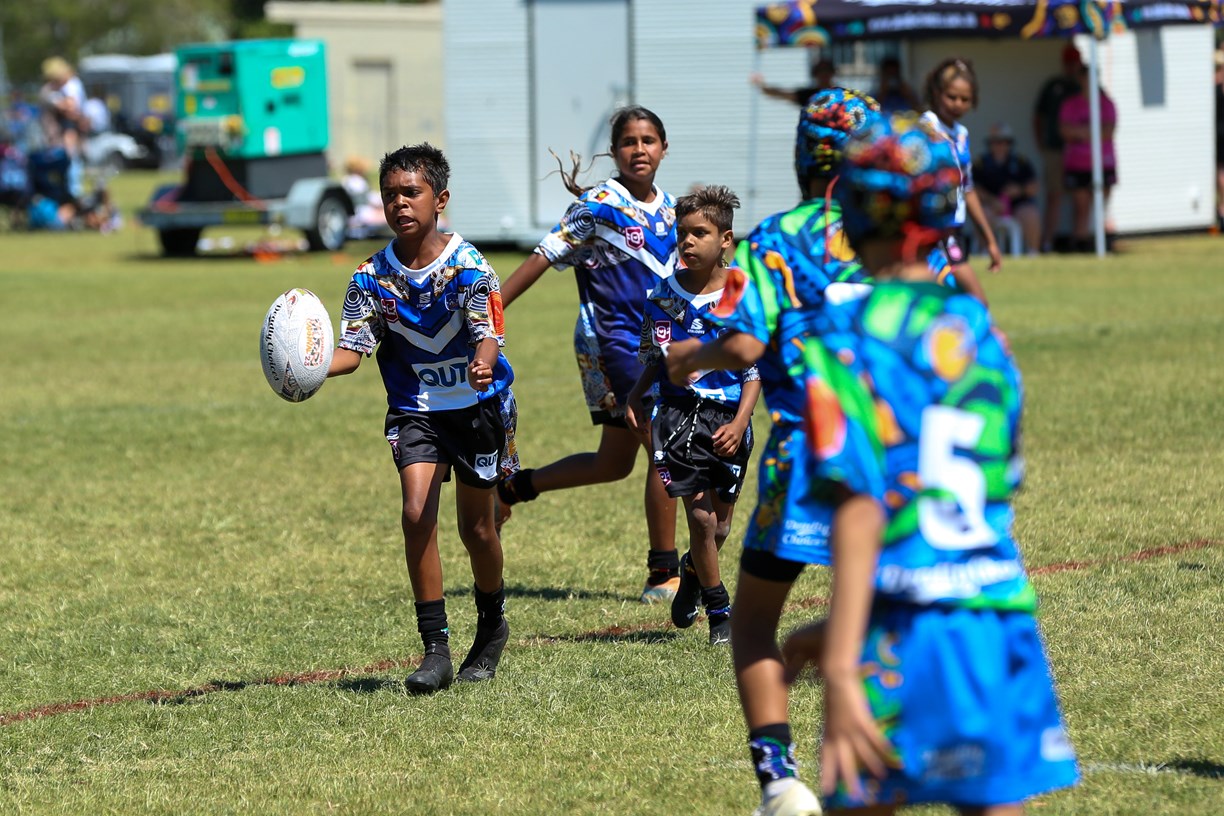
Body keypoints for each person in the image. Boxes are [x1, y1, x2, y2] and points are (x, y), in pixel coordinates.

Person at [779, 111, 1080, 813]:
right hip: (997, 616)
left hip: (897, 630)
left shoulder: (846, 336)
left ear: (851, 210)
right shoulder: (981, 332)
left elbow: (860, 502)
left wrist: (843, 655)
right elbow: (984, 488)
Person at [664, 88, 880, 816]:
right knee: (888, 614)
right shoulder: (900, 235)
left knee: (755, 622)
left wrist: (687, 359)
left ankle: (780, 781)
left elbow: (747, 343)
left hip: (805, 455)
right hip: (895, 458)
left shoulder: (775, 241)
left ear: (801, 154)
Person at [327, 143, 518, 694]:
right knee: (416, 514)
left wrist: (482, 365)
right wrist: (310, 366)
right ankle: (435, 648)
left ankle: (491, 626)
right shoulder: (370, 277)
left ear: (441, 200)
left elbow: (488, 333)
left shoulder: (469, 266)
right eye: (390, 195)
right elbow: (353, 351)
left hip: (478, 409)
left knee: (478, 529)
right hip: (416, 411)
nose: (400, 203)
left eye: (411, 192)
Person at [497, 106, 682, 604]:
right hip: (613, 343)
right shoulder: (599, 204)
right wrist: (490, 311)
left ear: (665, 147)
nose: (638, 149)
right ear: (614, 150)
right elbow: (542, 256)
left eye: (648, 140)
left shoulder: (671, 209)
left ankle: (513, 488)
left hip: (656, 345)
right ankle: (663, 572)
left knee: (614, 462)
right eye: (628, 141)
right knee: (662, 442)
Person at [624, 185, 762, 647]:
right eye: (682, 233)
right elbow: (653, 357)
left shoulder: (744, 294)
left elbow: (754, 370)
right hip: (677, 415)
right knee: (701, 521)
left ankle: (691, 574)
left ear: (725, 239)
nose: (688, 242)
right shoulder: (661, 296)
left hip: (729, 419)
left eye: (699, 233)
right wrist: (635, 396)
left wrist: (741, 422)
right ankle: (721, 610)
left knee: (720, 526)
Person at [921, 57, 1002, 298]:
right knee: (977, 302)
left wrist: (989, 240)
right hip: (932, 232)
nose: (957, 104)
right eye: (951, 96)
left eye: (965, 99)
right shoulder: (926, 126)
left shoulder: (962, 134)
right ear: (937, 92)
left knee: (953, 304)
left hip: (954, 231)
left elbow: (967, 188)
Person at [1059, 65, 1117, 253]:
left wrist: (1081, 133)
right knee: (1081, 207)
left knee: (1102, 206)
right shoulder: (1071, 104)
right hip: (1078, 162)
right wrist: (1092, 132)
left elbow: (1108, 131)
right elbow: (1066, 131)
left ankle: (1104, 243)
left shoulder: (1106, 103)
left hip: (1103, 161)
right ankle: (1081, 244)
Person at [1033, 44, 1083, 252]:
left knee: (1081, 196)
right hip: (1056, 149)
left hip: (1081, 152)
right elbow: (1038, 116)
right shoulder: (1054, 86)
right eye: (1068, 62)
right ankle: (1047, 242)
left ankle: (1079, 241)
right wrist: (1041, 143)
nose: (1071, 67)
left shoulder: (1085, 87)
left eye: (1075, 62)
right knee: (1055, 195)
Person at [973, 122, 1041, 255]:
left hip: (1017, 205)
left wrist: (1019, 190)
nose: (1001, 145)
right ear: (990, 144)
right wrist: (992, 201)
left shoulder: (1021, 161)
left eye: (1005, 142)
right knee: (982, 214)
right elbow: (972, 189)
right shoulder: (981, 163)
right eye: (996, 142)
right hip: (990, 205)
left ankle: (1034, 253)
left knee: (1030, 214)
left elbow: (1034, 186)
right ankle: (984, 252)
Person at [752, 58, 837, 107]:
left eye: (827, 70)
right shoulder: (809, 95)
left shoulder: (841, 94)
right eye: (820, 71)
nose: (824, 74)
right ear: (815, 74)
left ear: (832, 73)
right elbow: (782, 94)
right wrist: (762, 86)